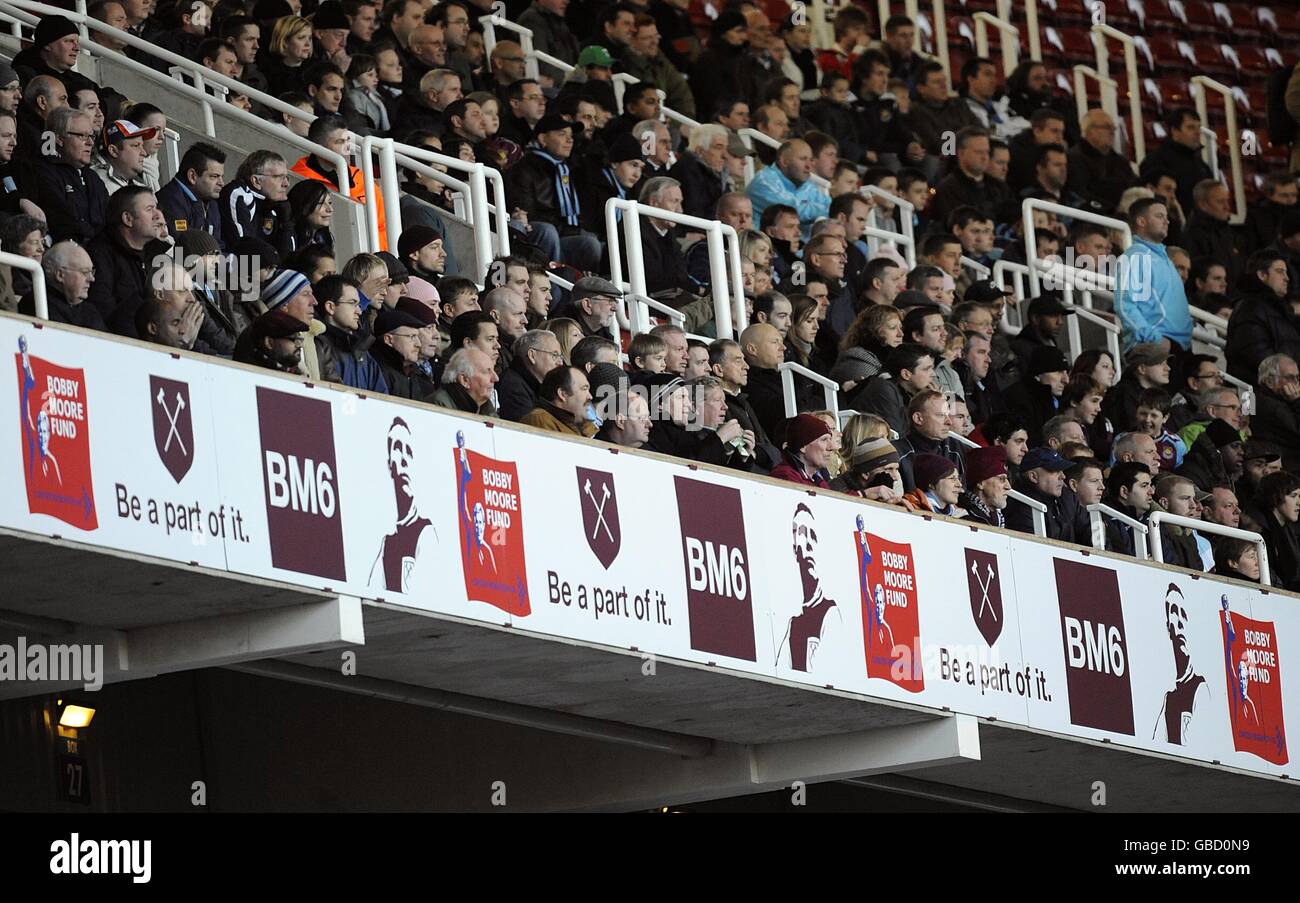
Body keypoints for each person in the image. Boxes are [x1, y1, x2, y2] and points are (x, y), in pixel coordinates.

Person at [1114, 197, 1192, 356]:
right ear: (1141, 221)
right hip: (1159, 345)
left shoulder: (1166, 259)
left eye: (1166, 217)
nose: (1167, 221)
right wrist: (1153, 338)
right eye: (1159, 216)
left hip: (1180, 347)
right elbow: (1125, 305)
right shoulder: (1136, 256)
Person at [30, 108, 108, 244]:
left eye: (92, 136)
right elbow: (62, 223)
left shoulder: (93, 178)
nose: (90, 142)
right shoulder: (42, 172)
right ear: (60, 138)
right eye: (82, 136)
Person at [1225, 249, 1300, 383]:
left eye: (1286, 272)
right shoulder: (1250, 308)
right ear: (1262, 275)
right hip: (1263, 391)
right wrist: (1288, 379)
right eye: (1280, 271)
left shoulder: (1279, 311)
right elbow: (1258, 357)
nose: (1287, 278)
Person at [313, 274, 387, 393]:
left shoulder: (363, 351)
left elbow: (383, 400)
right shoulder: (317, 346)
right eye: (352, 303)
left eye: (358, 305)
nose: (359, 311)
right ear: (330, 307)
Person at [746, 138, 830, 239]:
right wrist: (826, 210)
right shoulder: (763, 181)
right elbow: (792, 211)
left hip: (801, 250)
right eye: (803, 159)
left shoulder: (808, 185)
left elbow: (831, 206)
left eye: (811, 160)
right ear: (784, 162)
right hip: (768, 249)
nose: (809, 166)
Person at [16, 241, 103, 330]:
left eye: (91, 272)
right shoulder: (37, 304)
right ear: (60, 275)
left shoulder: (90, 312)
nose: (92, 279)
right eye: (84, 272)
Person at [156, 141, 226, 247]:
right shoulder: (170, 201)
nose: (221, 183)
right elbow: (185, 247)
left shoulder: (211, 202)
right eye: (214, 176)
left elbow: (218, 245)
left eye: (221, 177)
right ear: (192, 176)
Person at [1005, 447, 1076, 542]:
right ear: (1033, 477)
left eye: (1062, 471)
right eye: (1055, 471)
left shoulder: (1067, 497)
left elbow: (1089, 529)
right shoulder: (1019, 506)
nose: (1063, 476)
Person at [1244, 471, 1300, 591]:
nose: (1298, 503)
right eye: (1293, 496)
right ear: (1276, 496)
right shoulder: (1257, 530)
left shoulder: (1288, 530)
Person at [497, 328, 563, 421]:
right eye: (554, 355)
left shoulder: (536, 385)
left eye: (560, 357)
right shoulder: (513, 386)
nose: (560, 363)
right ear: (532, 355)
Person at [521, 365, 597, 436]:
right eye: (584, 388)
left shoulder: (583, 425)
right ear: (563, 394)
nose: (590, 397)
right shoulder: (540, 419)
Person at [1151, 475, 1205, 572]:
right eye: (1185, 498)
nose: (1193, 505)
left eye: (1193, 499)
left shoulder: (1188, 534)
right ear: (1164, 503)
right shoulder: (1155, 531)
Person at [1101, 461, 1155, 557]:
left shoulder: (1154, 523)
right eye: (1144, 486)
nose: (1152, 491)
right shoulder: (1103, 521)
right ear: (1124, 492)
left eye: (1150, 485)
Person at [233, 308, 310, 373]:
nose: (300, 345)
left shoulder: (296, 374)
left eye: (300, 339)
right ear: (269, 342)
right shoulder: (248, 376)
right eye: (294, 340)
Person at [769, 413, 835, 488]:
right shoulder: (785, 477)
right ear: (803, 446)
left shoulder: (819, 481)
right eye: (824, 440)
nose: (831, 447)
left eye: (830, 439)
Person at [431, 347, 499, 415]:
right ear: (464, 380)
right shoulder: (439, 406)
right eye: (486, 372)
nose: (496, 378)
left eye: (494, 370)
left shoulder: (487, 408)